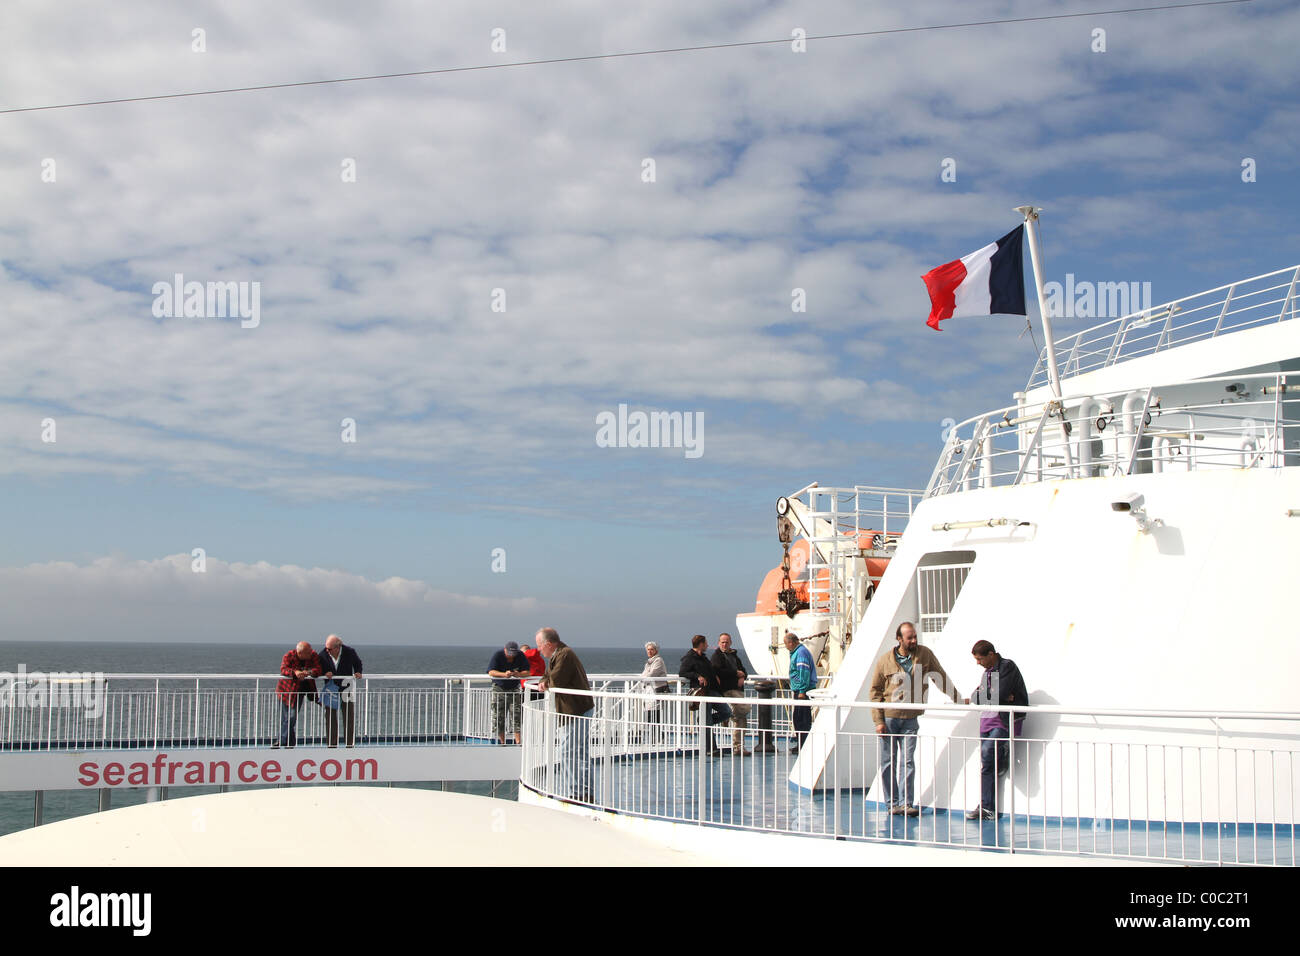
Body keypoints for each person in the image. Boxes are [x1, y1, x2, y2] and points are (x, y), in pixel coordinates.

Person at [868, 621, 963, 816]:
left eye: (914, 636)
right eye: (909, 637)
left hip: (911, 719)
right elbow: (875, 691)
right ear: (899, 639)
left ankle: (906, 803)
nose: (913, 640)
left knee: (908, 761)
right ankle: (892, 804)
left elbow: (940, 677)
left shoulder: (924, 654)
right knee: (888, 761)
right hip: (889, 719)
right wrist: (878, 721)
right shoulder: (884, 661)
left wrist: (958, 699)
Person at [965, 640, 1029, 821]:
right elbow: (975, 698)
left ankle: (1003, 752)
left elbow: (999, 695)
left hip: (1003, 721)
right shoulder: (987, 673)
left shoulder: (1007, 667)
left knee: (987, 752)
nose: (978, 663)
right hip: (987, 721)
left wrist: (994, 695)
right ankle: (987, 807)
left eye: (980, 659)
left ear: (991, 654)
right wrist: (994, 695)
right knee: (986, 763)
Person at [536, 627, 593, 801]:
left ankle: (576, 793)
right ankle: (584, 792)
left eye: (540, 646)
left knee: (568, 752)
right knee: (578, 751)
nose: (538, 650)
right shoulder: (557, 655)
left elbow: (556, 679)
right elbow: (547, 676)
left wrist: (547, 682)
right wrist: (545, 681)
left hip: (575, 710)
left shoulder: (564, 655)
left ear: (548, 644)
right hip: (574, 709)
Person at [678, 635, 731, 755]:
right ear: (701, 644)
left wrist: (716, 677)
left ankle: (702, 721)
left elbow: (710, 670)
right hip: (702, 692)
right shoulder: (689, 658)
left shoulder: (704, 657)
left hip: (712, 691)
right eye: (706, 643)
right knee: (707, 720)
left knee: (726, 712)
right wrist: (698, 676)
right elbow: (683, 672)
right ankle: (711, 749)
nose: (707, 645)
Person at [318, 634, 363, 748]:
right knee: (330, 716)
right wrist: (324, 673)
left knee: (349, 716)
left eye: (329, 649)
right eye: (326, 648)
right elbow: (318, 668)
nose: (327, 651)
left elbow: (358, 663)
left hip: (346, 687)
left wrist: (358, 672)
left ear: (338, 647)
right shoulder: (323, 654)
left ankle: (349, 744)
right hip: (331, 688)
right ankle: (332, 745)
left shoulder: (349, 652)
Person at [274, 641, 321, 749]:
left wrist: (308, 672)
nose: (311, 654)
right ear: (300, 653)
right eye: (307, 653)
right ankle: (288, 742)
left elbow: (318, 669)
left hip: (300, 691)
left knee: (291, 716)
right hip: (286, 690)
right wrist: (295, 672)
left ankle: (283, 741)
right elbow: (283, 669)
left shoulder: (313, 655)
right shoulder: (289, 656)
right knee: (286, 717)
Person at [711, 633, 752, 755]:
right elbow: (717, 670)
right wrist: (735, 673)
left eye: (727, 642)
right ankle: (737, 745)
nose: (725, 644)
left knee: (741, 717)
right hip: (727, 690)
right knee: (743, 710)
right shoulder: (717, 656)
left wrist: (742, 676)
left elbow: (743, 670)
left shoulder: (734, 656)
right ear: (719, 643)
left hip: (737, 690)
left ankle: (739, 746)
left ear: (731, 643)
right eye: (723, 642)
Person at [487, 641, 530, 745]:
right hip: (499, 688)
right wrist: (504, 675)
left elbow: (527, 672)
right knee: (499, 716)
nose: (512, 656)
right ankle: (502, 742)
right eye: (510, 653)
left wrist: (518, 674)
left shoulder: (520, 655)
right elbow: (491, 671)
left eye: (513, 653)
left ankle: (518, 741)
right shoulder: (498, 655)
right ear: (505, 650)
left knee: (516, 715)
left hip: (514, 688)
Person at [784, 632, 816, 752]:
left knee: (801, 718)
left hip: (802, 691)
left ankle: (803, 745)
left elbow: (804, 671)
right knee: (799, 717)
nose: (786, 646)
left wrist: (802, 690)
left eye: (786, 644)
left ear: (791, 643)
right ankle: (801, 744)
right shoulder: (799, 651)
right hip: (800, 690)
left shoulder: (801, 653)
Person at [638, 641, 670, 735]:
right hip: (649, 692)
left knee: (655, 716)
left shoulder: (658, 661)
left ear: (656, 650)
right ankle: (654, 737)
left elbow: (651, 674)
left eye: (652, 649)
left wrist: (644, 678)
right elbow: (644, 675)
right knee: (650, 716)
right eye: (648, 649)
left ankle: (658, 737)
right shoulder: (649, 662)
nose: (649, 651)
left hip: (656, 692)